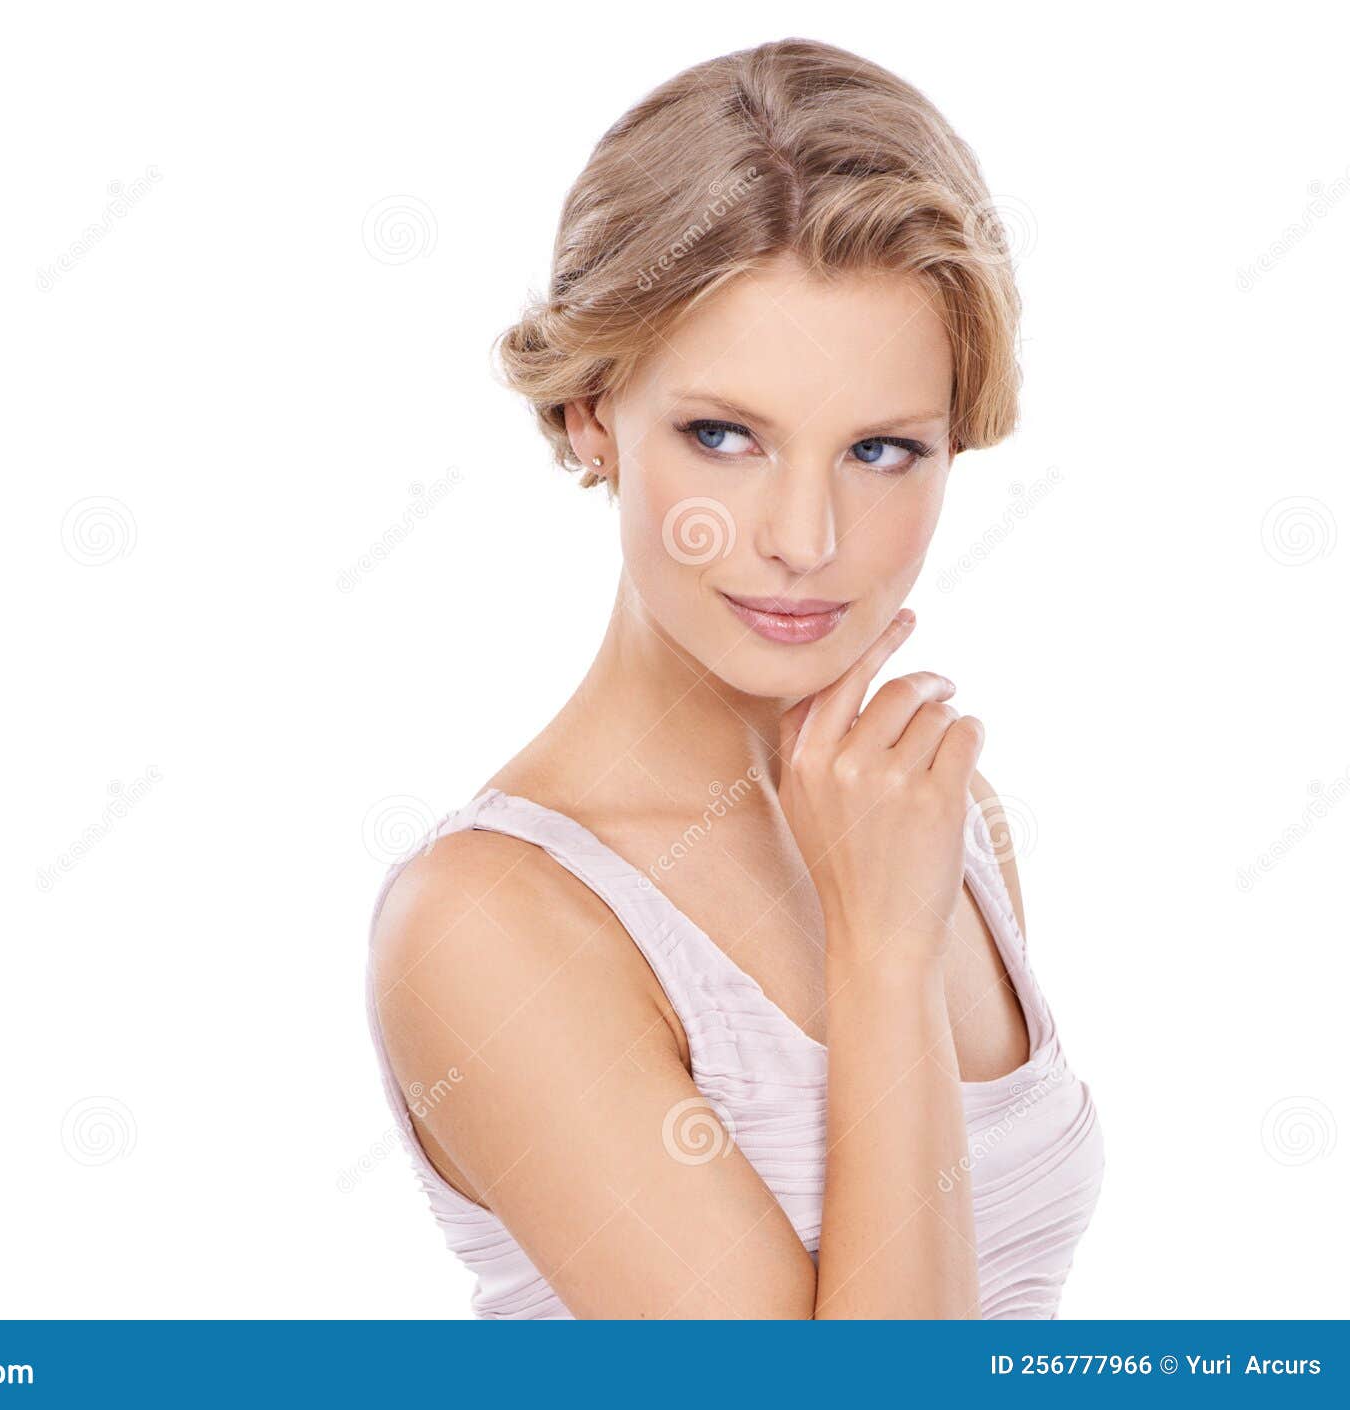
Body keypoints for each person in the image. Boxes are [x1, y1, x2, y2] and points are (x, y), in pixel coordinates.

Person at [365, 35, 1103, 1319]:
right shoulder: (487, 926)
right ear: (591, 410)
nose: (804, 541)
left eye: (880, 450)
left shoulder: (930, 819)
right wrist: (878, 952)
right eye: (724, 435)